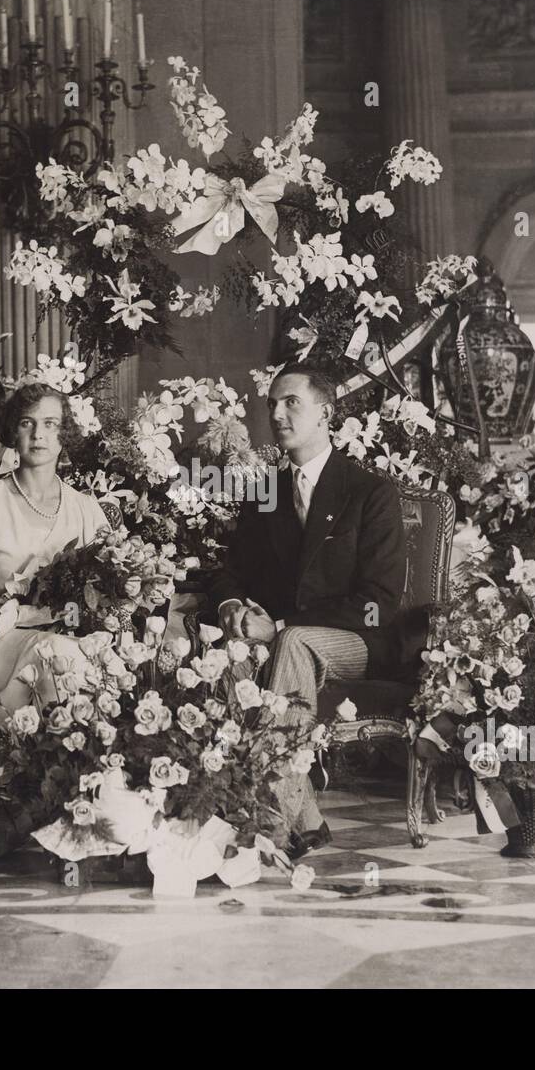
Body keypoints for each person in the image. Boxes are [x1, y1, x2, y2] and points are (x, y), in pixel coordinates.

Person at [207, 364, 407, 856]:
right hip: (288, 639)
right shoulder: (266, 491)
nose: (276, 413)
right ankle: (302, 817)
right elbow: (232, 572)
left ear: (326, 413)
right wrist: (233, 607)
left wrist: (276, 626)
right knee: (231, 648)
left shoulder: (369, 493)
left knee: (292, 641)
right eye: (272, 403)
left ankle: (269, 822)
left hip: (359, 640)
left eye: (290, 402)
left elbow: (377, 602)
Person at [0, 383, 109, 731]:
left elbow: (107, 586)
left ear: (64, 434)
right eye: (27, 423)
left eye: (51, 424)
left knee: (73, 653)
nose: (38, 434)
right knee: (58, 653)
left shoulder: (86, 510)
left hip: (66, 637)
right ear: (13, 431)